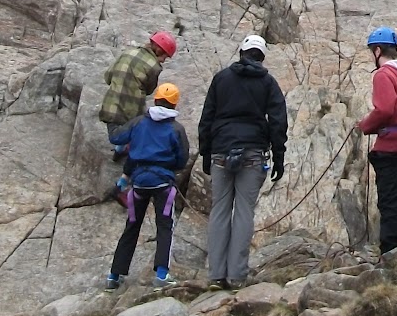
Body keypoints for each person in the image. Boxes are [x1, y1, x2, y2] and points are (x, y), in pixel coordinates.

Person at [198, 34, 288, 290]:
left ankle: (216, 274)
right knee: (244, 211)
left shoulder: (221, 79)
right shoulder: (268, 82)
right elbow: (278, 121)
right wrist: (279, 156)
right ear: (261, 57)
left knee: (220, 210)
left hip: (221, 151)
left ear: (241, 53)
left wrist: (206, 153)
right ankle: (236, 276)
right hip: (253, 152)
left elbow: (207, 118)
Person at [106, 82, 190, 290]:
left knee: (132, 226)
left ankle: (114, 275)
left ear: (156, 99)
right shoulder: (176, 129)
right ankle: (161, 274)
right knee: (164, 226)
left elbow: (117, 137)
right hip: (163, 184)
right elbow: (182, 159)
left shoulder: (138, 123)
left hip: (139, 184)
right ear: (174, 103)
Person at [355, 27, 397, 256]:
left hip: (390, 144)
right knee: (395, 195)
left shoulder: (384, 75)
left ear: (377, 50)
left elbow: (384, 109)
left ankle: (391, 249)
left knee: (388, 199)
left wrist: (366, 125)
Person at [100, 31, 177, 139]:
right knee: (129, 139)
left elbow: (108, 77)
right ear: (159, 50)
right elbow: (149, 90)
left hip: (110, 110)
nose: (163, 61)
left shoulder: (127, 52)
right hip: (132, 116)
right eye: (165, 56)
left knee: (117, 136)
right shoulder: (154, 67)